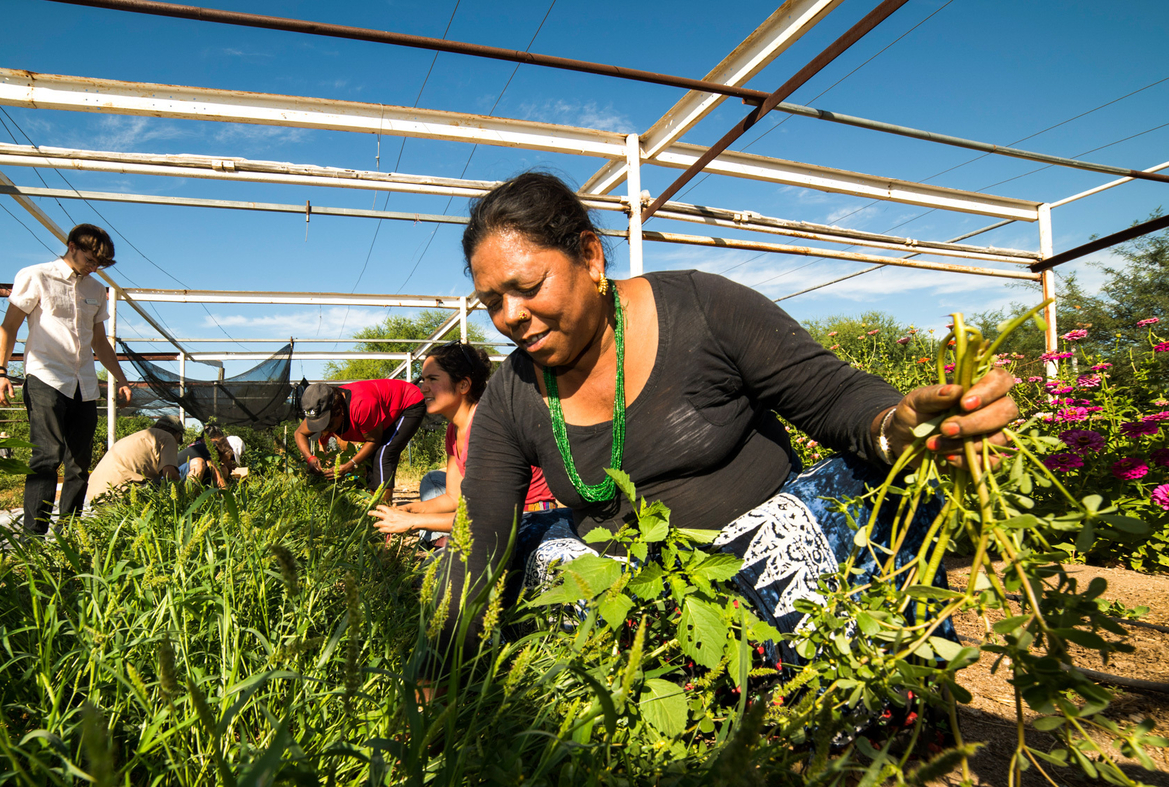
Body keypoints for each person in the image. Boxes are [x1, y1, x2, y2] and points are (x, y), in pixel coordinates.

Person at [446, 172, 1019, 651]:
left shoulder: (701, 307)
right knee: (540, 549)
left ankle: (870, 694)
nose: (510, 317)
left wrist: (895, 427)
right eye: (492, 302)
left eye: (527, 286)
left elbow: (831, 395)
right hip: (629, 591)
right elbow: (480, 533)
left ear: (590, 256)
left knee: (854, 488)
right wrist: (441, 657)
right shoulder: (513, 393)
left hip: (767, 564)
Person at [0, 224, 133, 535]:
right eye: (90, 260)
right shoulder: (36, 275)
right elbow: (9, 327)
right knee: (47, 454)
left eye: (100, 264)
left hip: (84, 383)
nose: (94, 267)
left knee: (79, 463)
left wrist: (120, 377)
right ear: (72, 247)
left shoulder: (96, 290)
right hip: (46, 376)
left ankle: (69, 533)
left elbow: (99, 340)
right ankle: (34, 539)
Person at [369, 341, 560, 561]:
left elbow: (489, 516)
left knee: (432, 574)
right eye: (423, 380)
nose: (423, 388)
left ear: (463, 385)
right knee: (432, 480)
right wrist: (408, 510)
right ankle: (444, 542)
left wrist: (413, 521)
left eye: (432, 379)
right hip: (484, 513)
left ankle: (444, 545)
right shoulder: (453, 429)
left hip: (525, 516)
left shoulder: (489, 425)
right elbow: (453, 497)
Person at [294, 380, 426, 502]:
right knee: (371, 459)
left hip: (408, 403)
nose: (324, 431)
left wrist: (350, 465)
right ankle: (373, 507)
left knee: (383, 454)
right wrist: (310, 458)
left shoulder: (361, 405)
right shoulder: (320, 410)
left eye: (328, 425)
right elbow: (299, 433)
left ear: (339, 411)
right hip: (382, 411)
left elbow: (374, 441)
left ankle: (383, 510)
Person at [85, 414, 184, 505]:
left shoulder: (140, 436)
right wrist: (186, 497)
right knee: (162, 489)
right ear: (178, 434)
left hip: (94, 494)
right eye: (179, 441)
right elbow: (171, 475)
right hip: (120, 494)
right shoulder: (168, 437)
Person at [177, 425, 245, 488]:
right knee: (199, 463)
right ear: (228, 451)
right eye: (232, 458)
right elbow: (217, 476)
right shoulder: (212, 448)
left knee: (223, 470)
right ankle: (189, 495)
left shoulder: (217, 454)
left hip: (189, 474)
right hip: (177, 472)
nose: (231, 461)